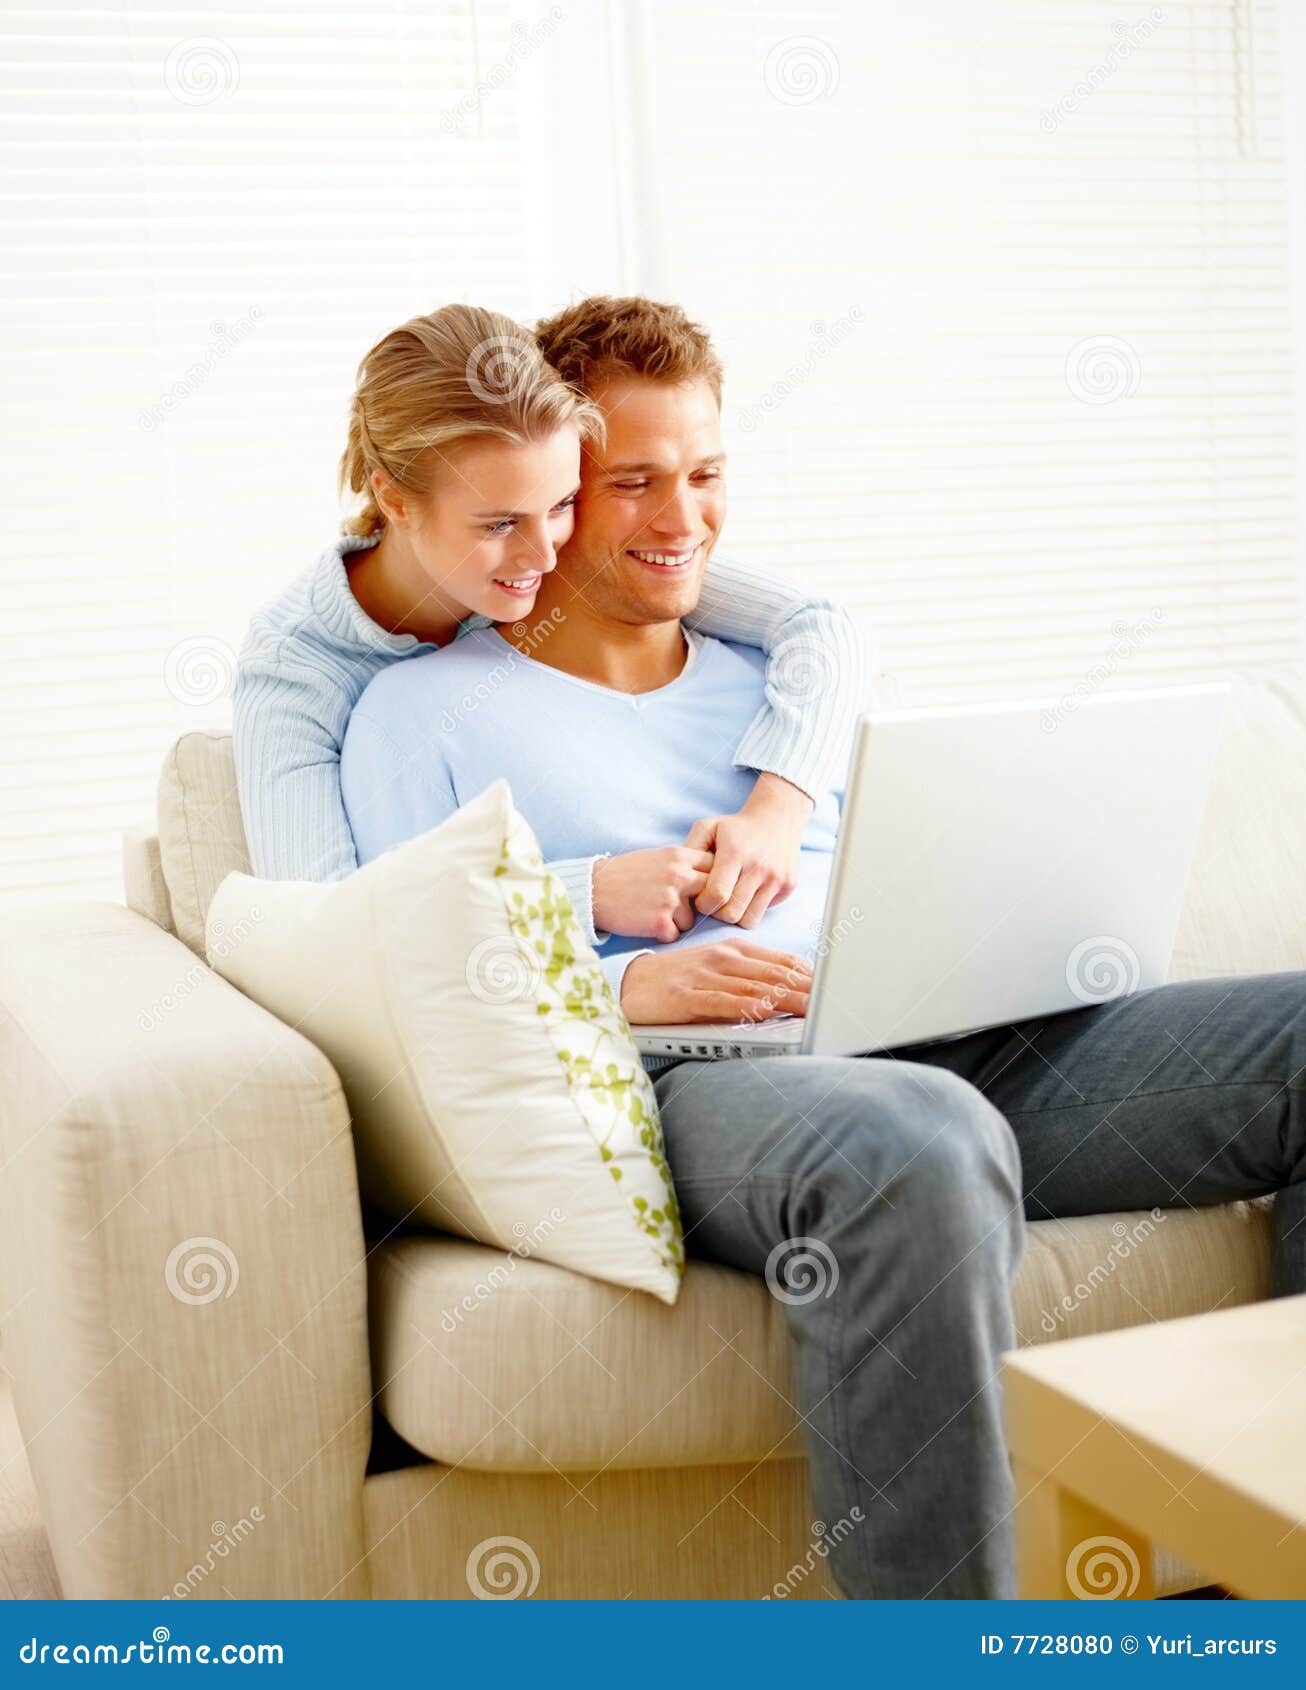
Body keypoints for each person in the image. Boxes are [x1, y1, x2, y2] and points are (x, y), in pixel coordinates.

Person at [338, 295, 1306, 1600]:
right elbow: (403, 972)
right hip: (700, 1082)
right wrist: (625, 982)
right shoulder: (422, 712)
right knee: (910, 1136)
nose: (681, 519)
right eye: (631, 482)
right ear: (560, 489)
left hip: (932, 1031)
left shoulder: (779, 684)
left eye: (705, 473)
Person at [231, 302, 867, 948]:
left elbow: (817, 626)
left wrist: (779, 809)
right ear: (396, 500)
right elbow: (329, 935)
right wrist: (583, 895)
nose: (546, 556)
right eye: (500, 523)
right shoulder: (299, 670)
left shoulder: (551, 564)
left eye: (563, 504)